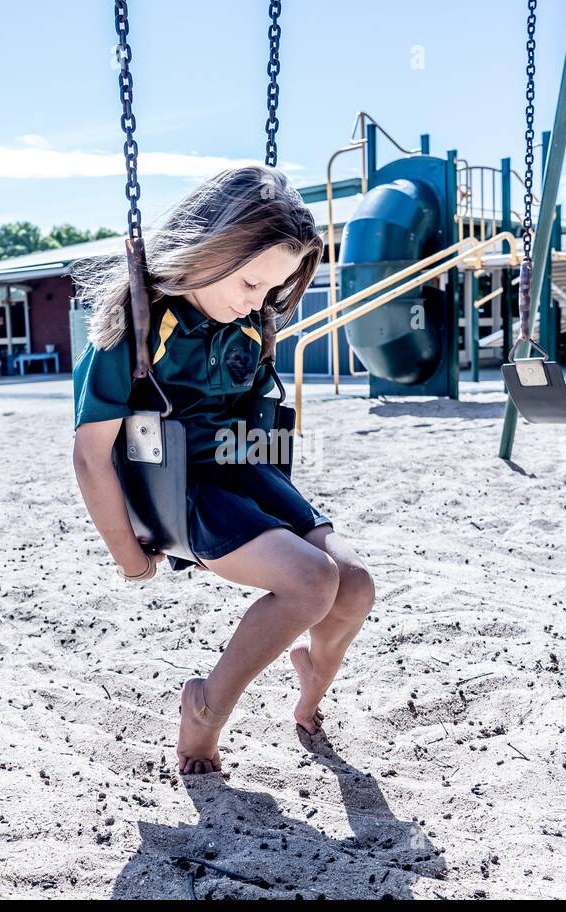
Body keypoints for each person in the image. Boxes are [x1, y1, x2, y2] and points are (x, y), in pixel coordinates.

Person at [71, 165, 375, 775]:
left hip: (244, 468)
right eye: (249, 282)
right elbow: (89, 455)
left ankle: (313, 680)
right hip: (180, 490)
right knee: (312, 582)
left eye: (272, 290)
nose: (257, 302)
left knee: (356, 583)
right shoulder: (134, 329)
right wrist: (127, 554)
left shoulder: (244, 324)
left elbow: (252, 421)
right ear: (209, 248)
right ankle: (206, 708)